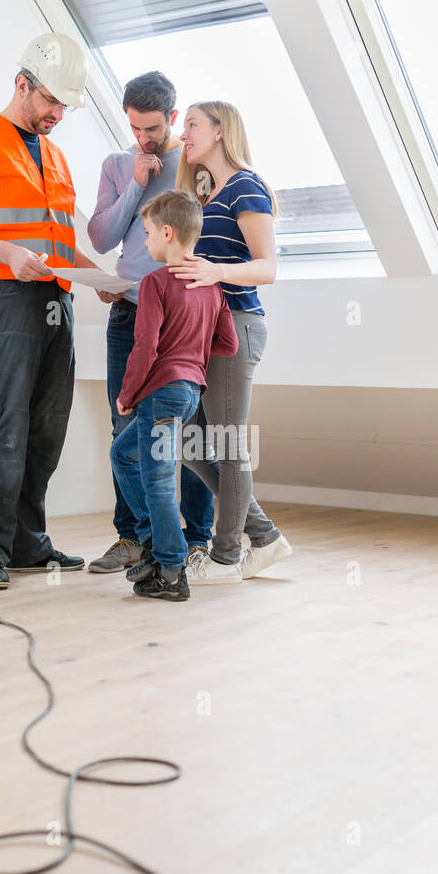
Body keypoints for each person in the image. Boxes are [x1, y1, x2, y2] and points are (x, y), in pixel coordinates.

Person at [0, 32, 105, 589]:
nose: (58, 113)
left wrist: (98, 276)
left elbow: (57, 241)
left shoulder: (54, 155)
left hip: (55, 299)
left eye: (65, 105)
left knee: (45, 429)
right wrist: (11, 256)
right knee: (5, 426)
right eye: (51, 101)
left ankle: (27, 545)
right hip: (1, 300)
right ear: (22, 84)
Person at [86, 71, 214, 574]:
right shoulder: (118, 165)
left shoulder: (194, 163)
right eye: (135, 128)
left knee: (191, 432)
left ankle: (195, 539)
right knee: (126, 428)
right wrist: (135, 186)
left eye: (153, 128)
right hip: (129, 313)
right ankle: (139, 538)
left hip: (183, 315)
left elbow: (209, 235)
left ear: (174, 118)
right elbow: (100, 237)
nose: (143, 138)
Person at [171, 100, 292, 584]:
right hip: (208, 332)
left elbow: (267, 267)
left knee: (226, 444)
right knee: (189, 439)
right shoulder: (208, 194)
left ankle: (225, 558)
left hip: (237, 325)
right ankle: (263, 536)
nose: (184, 135)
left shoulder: (246, 185)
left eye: (192, 125)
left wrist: (215, 271)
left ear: (221, 131)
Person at [110, 191, 238, 602]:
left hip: (160, 394)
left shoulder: (154, 283)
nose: (145, 243)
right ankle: (155, 542)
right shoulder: (211, 288)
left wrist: (127, 394)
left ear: (167, 233)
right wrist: (192, 356)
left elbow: (145, 346)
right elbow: (228, 343)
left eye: (147, 234)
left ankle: (169, 568)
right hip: (188, 394)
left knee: (160, 482)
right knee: (123, 454)